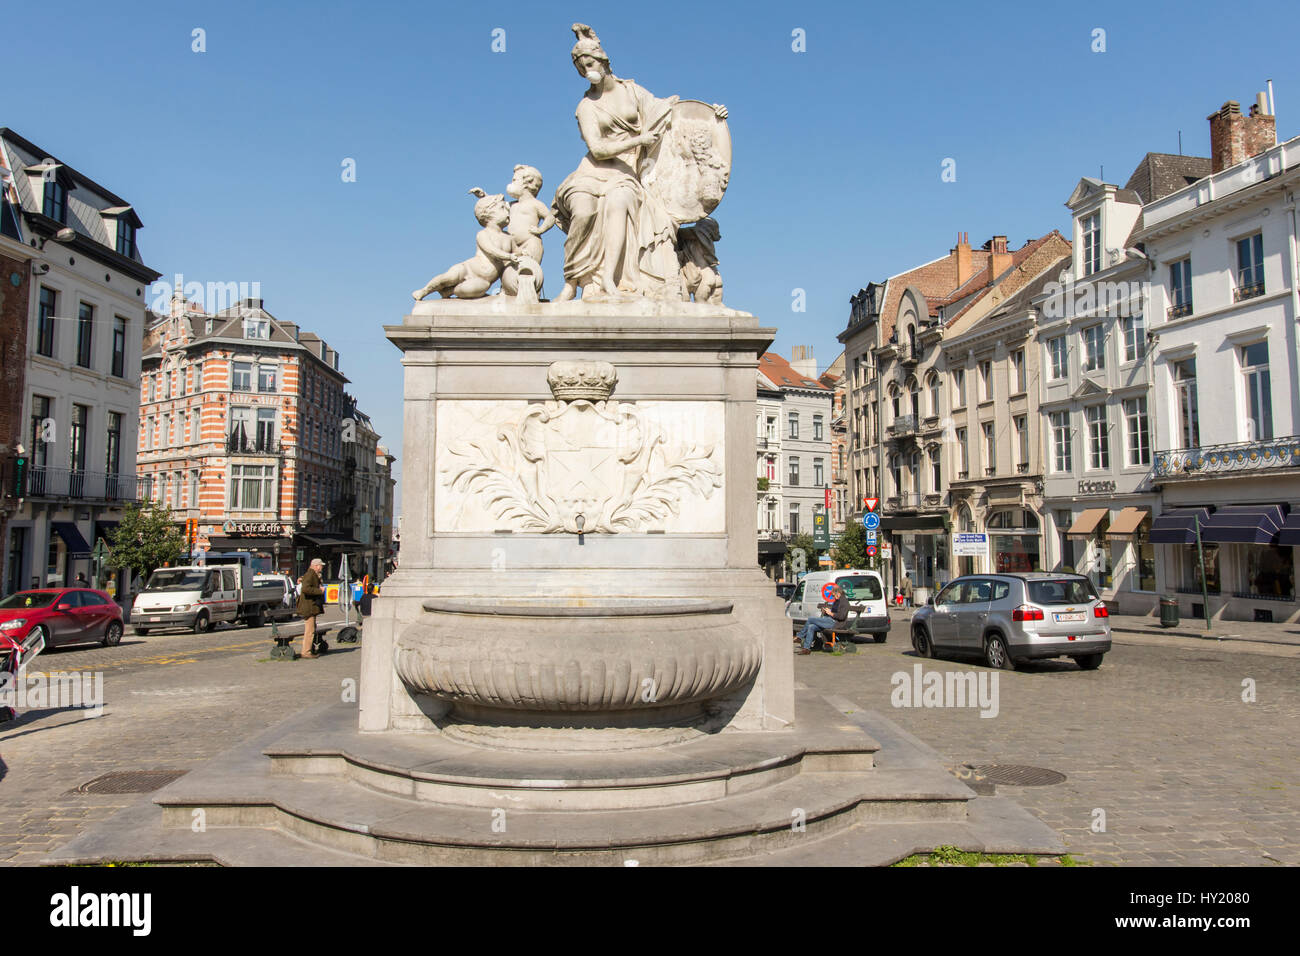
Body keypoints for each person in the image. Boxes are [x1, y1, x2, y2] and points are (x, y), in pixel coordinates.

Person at [796, 584, 849, 655]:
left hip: (835, 623)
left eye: (834, 595)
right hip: (830, 620)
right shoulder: (837, 601)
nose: (834, 597)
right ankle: (806, 649)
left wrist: (831, 613)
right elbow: (834, 612)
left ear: (838, 593)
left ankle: (800, 637)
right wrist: (827, 612)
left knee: (810, 619)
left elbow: (842, 616)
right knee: (811, 626)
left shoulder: (844, 602)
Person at [296, 558, 326, 659]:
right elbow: (305, 589)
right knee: (310, 630)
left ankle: (308, 650)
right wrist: (319, 591)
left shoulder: (312, 574)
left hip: (311, 606)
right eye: (321, 565)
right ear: (316, 566)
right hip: (309, 607)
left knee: (311, 629)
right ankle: (306, 652)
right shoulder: (310, 574)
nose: (322, 567)